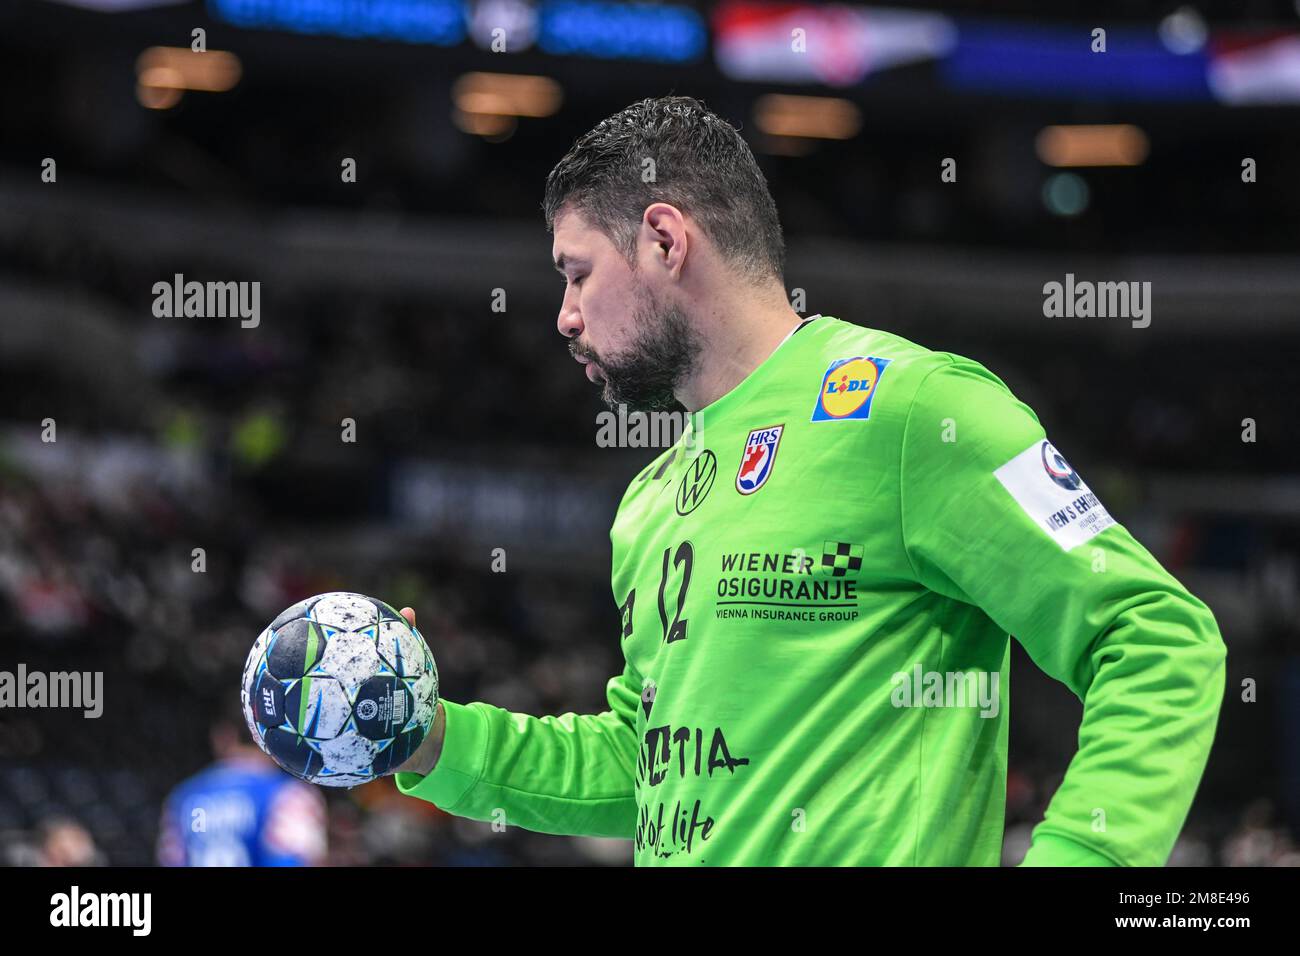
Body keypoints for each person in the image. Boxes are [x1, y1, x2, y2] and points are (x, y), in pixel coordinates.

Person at [390, 96, 1226, 866]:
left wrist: (1084, 855)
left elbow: (1156, 638)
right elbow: (653, 769)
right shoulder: (649, 502)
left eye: (576, 274)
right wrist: (435, 743)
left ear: (665, 239)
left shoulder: (913, 410)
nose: (565, 316)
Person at [158, 698, 327, 866]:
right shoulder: (289, 795)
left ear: (223, 736)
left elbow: (171, 860)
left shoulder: (183, 798)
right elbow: (299, 859)